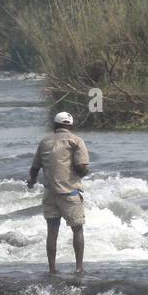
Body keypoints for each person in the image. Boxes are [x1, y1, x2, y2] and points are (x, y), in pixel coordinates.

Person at [27, 111, 89, 275]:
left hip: (49, 193)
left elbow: (34, 168)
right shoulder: (76, 141)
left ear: (55, 126)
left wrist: (32, 182)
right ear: (71, 126)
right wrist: (81, 173)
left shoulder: (44, 142)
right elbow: (82, 167)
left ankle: (52, 268)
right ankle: (79, 267)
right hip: (69, 192)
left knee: (52, 231)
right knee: (77, 229)